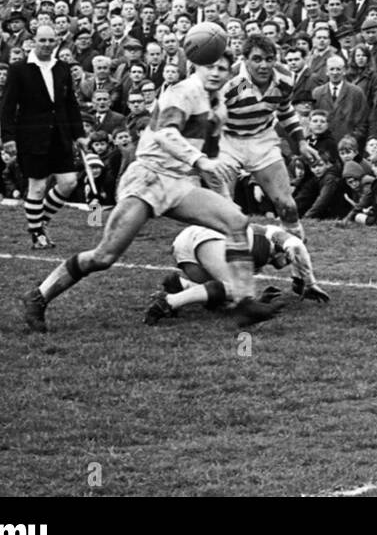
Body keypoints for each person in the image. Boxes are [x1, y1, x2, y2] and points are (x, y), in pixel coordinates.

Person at [21, 45, 273, 333]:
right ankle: (39, 296)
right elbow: (167, 134)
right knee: (104, 256)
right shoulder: (183, 91)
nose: (216, 73)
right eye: (210, 66)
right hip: (148, 178)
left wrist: (226, 201)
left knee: (237, 221)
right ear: (196, 67)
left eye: (222, 69)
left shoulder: (218, 108)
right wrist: (200, 161)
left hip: (180, 183)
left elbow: (212, 163)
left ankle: (244, 303)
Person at [217, 34, 322, 240]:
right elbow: (212, 112)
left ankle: (295, 248)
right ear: (245, 59)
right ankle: (224, 254)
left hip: (262, 139)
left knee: (288, 206)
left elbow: (284, 111)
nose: (264, 65)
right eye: (257, 59)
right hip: (227, 140)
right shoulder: (236, 82)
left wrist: (301, 142)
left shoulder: (284, 79)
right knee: (224, 207)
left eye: (269, 59)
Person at [0, 23, 85, 249]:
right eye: (43, 40)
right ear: (34, 41)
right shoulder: (19, 69)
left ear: (56, 42)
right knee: (36, 187)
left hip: (60, 135)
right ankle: (37, 235)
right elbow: (7, 107)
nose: (47, 45)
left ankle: (39, 222)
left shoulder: (63, 68)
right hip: (31, 137)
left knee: (69, 182)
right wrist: (8, 137)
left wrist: (79, 134)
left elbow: (71, 104)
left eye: (51, 41)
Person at [153, 222, 331, 323]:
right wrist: (310, 283)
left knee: (221, 294)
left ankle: (179, 285)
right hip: (208, 238)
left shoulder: (261, 258)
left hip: (186, 243)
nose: (284, 264)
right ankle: (169, 302)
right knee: (236, 289)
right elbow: (297, 246)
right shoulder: (272, 233)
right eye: (287, 259)